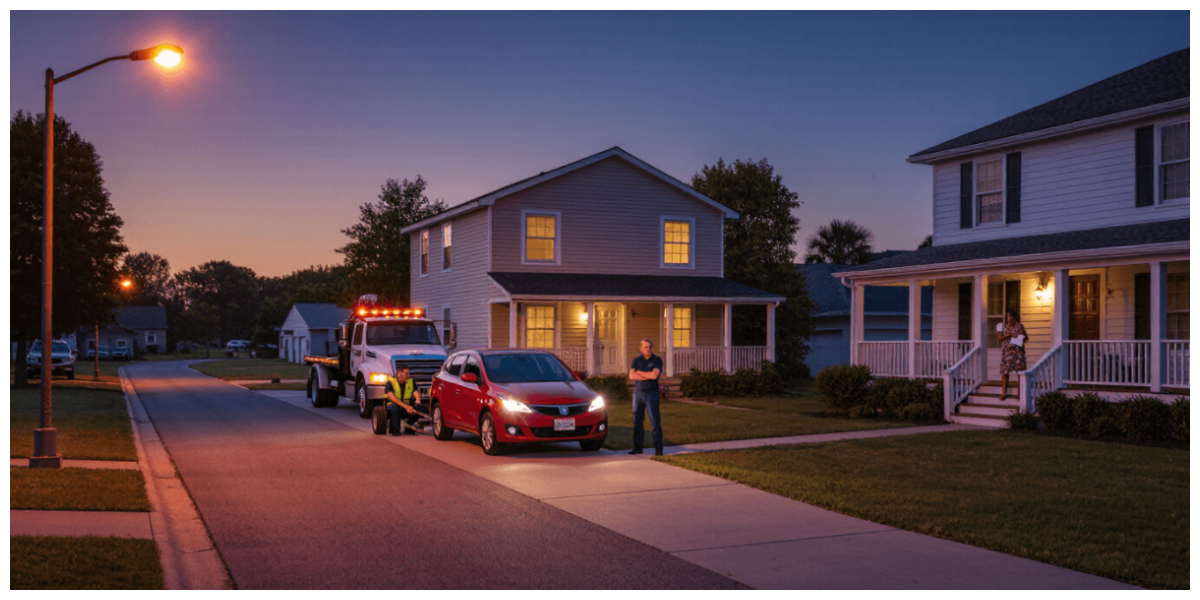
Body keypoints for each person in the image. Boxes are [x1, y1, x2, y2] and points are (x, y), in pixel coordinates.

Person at [628, 338, 664, 456]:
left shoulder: (656, 360)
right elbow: (631, 376)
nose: (648, 349)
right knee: (637, 421)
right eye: (646, 347)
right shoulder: (636, 360)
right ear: (641, 348)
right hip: (638, 393)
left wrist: (640, 373)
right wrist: (645, 375)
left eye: (649, 347)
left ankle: (658, 449)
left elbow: (654, 375)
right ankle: (638, 448)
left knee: (654, 421)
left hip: (651, 393)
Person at [385, 365, 426, 435]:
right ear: (399, 373)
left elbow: (415, 391)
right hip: (393, 405)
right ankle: (395, 430)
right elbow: (392, 398)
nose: (408, 375)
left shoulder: (410, 381)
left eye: (408, 373)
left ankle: (408, 425)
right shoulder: (390, 382)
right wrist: (406, 407)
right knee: (395, 408)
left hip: (406, 406)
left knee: (420, 409)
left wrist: (418, 400)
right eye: (406, 373)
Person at [997, 310, 1028, 401]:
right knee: (1005, 372)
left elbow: (1026, 337)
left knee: (1019, 371)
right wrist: (1010, 335)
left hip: (1017, 351)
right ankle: (1004, 392)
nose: (1009, 318)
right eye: (1008, 316)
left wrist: (1019, 336)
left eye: (1011, 316)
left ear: (1014, 318)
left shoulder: (1019, 326)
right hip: (1007, 352)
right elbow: (999, 338)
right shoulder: (1002, 326)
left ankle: (1019, 392)